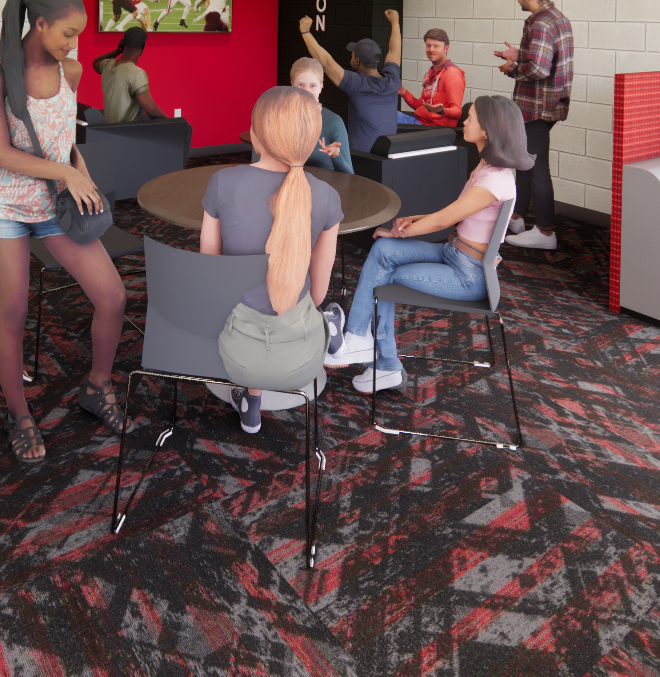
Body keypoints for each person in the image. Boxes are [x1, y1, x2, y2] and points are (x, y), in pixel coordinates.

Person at [0, 0, 127, 463]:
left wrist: (78, 169)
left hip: (56, 207)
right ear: (40, 24)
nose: (74, 44)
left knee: (113, 297)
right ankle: (18, 414)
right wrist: (65, 172)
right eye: (68, 33)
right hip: (5, 208)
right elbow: (1, 153)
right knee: (13, 314)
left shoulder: (72, 71)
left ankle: (98, 387)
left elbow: (63, 137)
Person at [324, 95, 532, 394]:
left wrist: (399, 232)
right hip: (454, 254)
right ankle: (361, 340)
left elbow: (444, 220)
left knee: (386, 276)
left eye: (470, 118)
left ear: (488, 130)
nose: (464, 122)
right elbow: (458, 213)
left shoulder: (494, 180)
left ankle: (383, 362)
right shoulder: (488, 169)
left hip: (468, 275)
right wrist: (415, 218)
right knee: (383, 253)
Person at [202, 87, 343, 434]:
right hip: (302, 363)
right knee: (316, 305)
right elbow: (317, 294)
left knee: (248, 303)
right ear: (311, 141)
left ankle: (251, 399)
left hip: (234, 357)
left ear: (255, 135)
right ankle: (332, 329)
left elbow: (209, 273)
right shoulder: (327, 197)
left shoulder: (221, 183)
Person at [492, 0, 573, 250]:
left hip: (536, 105)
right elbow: (546, 57)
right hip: (550, 103)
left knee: (536, 167)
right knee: (524, 161)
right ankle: (516, 218)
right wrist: (520, 54)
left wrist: (512, 68)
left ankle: (545, 232)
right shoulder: (558, 18)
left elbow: (538, 68)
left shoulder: (540, 23)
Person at [299, 8, 401, 155]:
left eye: (352, 56)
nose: (351, 58)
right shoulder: (392, 79)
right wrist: (395, 22)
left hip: (362, 158)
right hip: (388, 157)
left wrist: (305, 32)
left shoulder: (357, 84)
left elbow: (326, 62)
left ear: (357, 60)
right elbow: (394, 51)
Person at [288, 57, 353, 175]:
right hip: (288, 183)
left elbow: (350, 175)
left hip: (325, 184)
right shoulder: (282, 117)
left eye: (313, 85)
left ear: (321, 87)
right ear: (292, 85)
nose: (306, 91)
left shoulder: (333, 122)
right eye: (301, 85)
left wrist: (335, 155)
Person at [91, 27, 167, 123]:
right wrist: (174, 123)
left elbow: (96, 61)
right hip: (128, 129)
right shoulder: (136, 73)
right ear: (142, 48)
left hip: (108, 126)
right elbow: (152, 112)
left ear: (123, 43)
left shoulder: (107, 65)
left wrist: (118, 50)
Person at [399, 28, 465, 129]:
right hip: (419, 122)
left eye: (436, 46)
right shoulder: (430, 73)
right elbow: (420, 105)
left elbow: (457, 112)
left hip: (433, 129)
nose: (431, 50)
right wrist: (403, 92)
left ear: (446, 49)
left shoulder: (452, 74)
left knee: (385, 117)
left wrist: (441, 111)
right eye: (428, 45)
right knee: (384, 114)